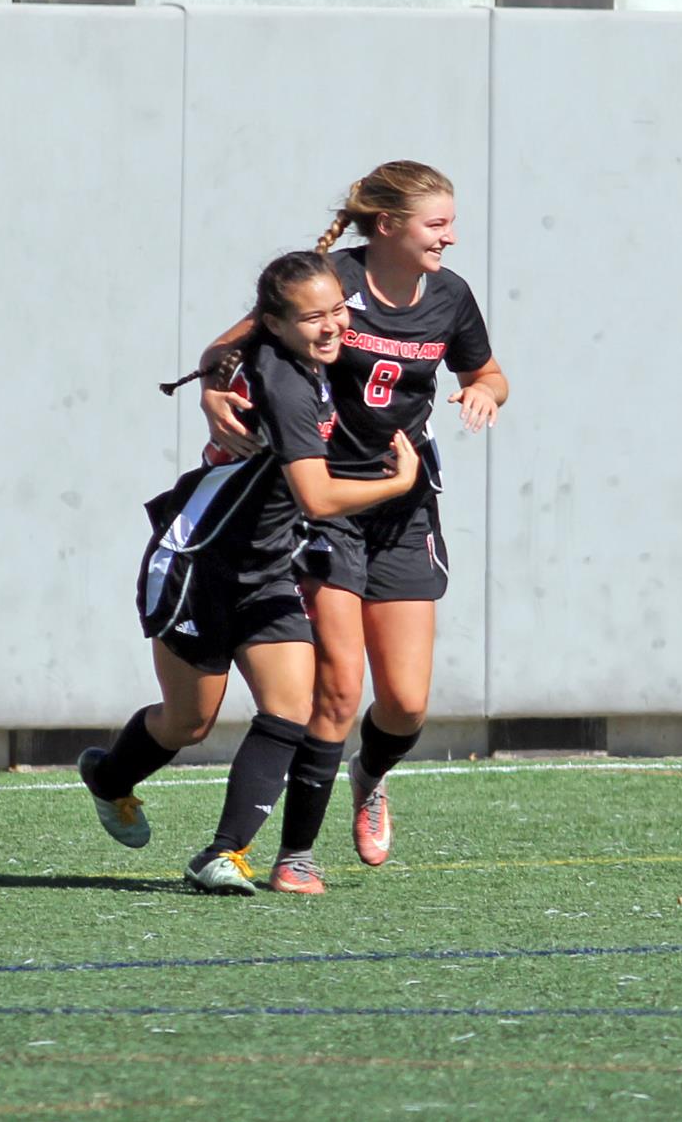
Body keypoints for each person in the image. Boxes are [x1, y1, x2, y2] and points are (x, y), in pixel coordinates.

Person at [193, 162, 509, 894]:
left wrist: (484, 393)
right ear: (388, 225)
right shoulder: (332, 282)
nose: (450, 237)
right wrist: (213, 393)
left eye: (451, 223)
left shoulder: (451, 296)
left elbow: (491, 373)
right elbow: (225, 350)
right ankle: (296, 855)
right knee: (338, 688)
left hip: (404, 507)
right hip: (327, 507)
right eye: (437, 224)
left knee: (405, 702)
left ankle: (370, 774)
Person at [79, 250, 422, 894]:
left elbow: (227, 349)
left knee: (290, 708)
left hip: (264, 571)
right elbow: (316, 497)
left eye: (338, 311)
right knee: (189, 724)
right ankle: (108, 776)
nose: (333, 326)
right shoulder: (285, 383)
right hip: (196, 566)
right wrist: (398, 483)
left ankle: (223, 853)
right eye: (313, 318)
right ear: (274, 323)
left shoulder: (301, 358)